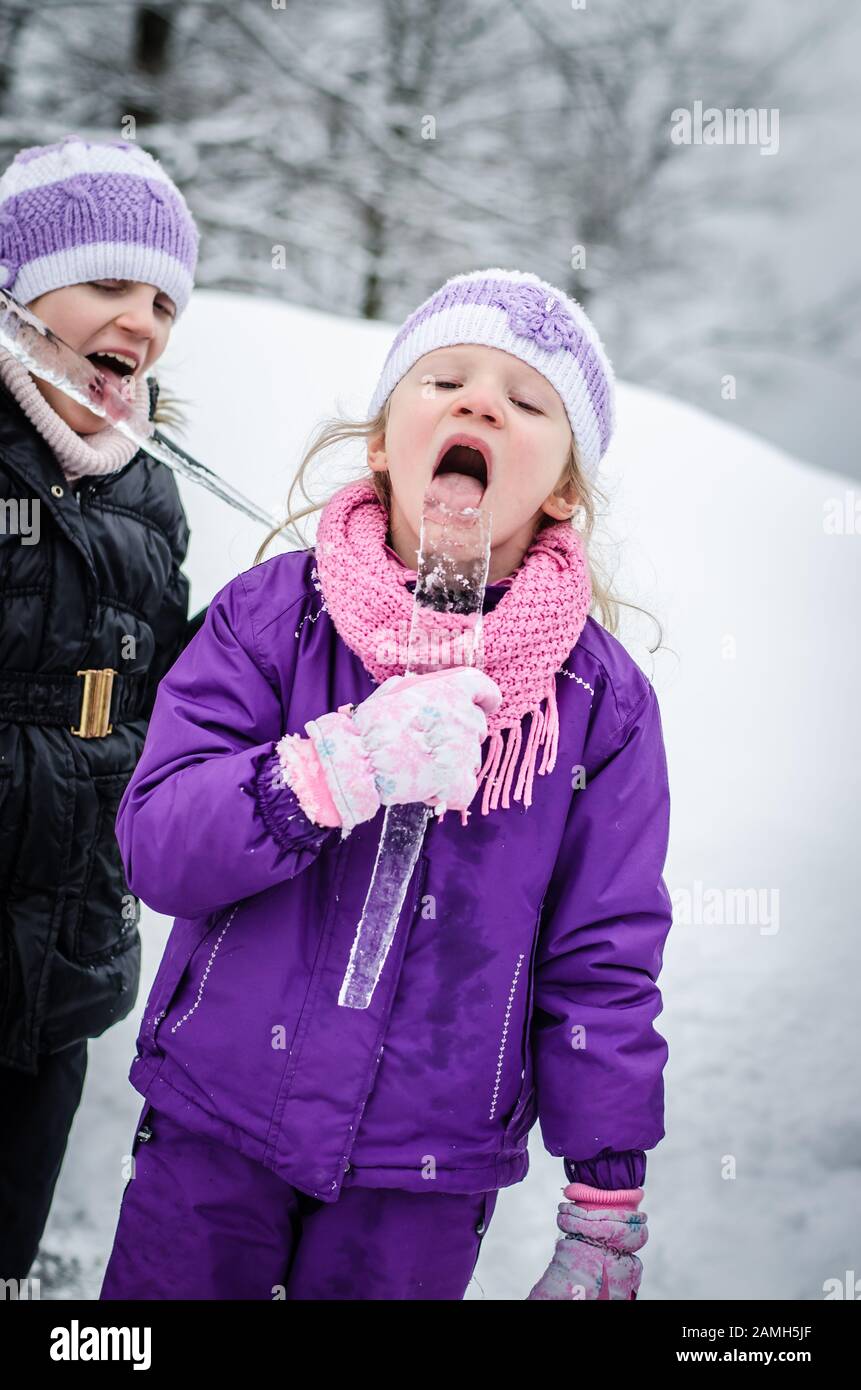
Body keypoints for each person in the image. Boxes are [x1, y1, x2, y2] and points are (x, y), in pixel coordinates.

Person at [99, 267, 672, 1301]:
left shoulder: (598, 702)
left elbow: (603, 956)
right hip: (213, 1127)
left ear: (559, 489)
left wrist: (605, 1206)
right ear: (380, 444)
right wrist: (326, 770)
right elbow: (156, 843)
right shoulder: (273, 619)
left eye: (526, 400)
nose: (479, 402)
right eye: (443, 378)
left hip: (423, 1176)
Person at [0, 134, 202, 1282]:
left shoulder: (146, 488)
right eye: (112, 284)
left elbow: (163, 682)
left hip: (63, 955)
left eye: (166, 299)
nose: (146, 319)